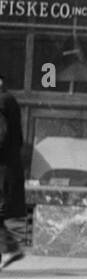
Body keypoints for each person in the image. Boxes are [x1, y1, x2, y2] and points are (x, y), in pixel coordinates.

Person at [0, 71, 26, 268]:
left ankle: (10, 247)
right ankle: (9, 248)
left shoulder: (2, 102)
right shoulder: (10, 101)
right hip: (10, 167)